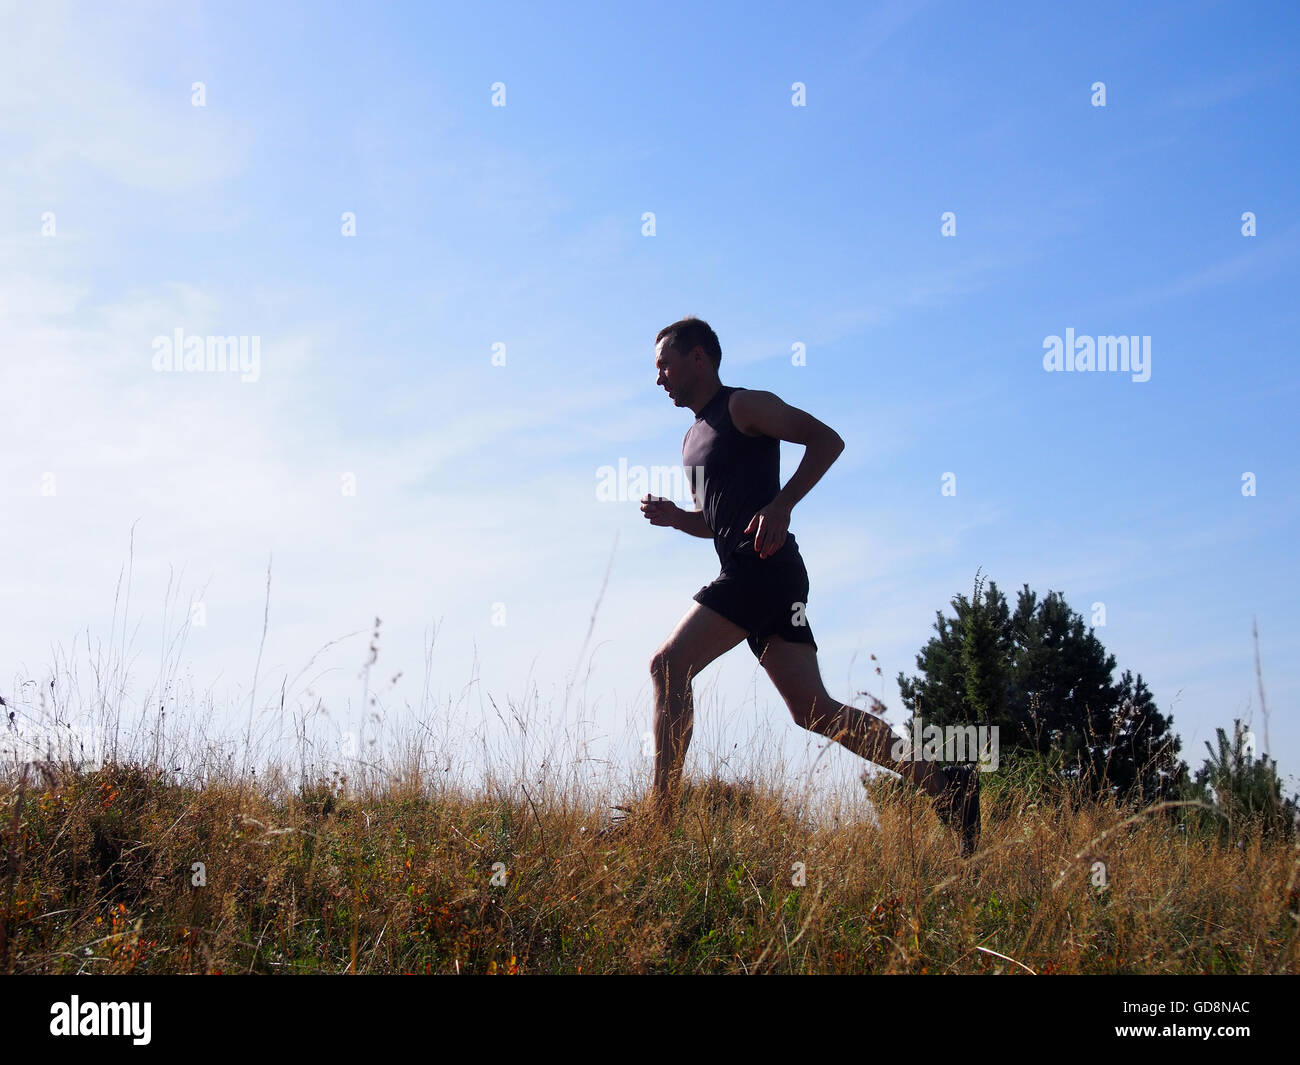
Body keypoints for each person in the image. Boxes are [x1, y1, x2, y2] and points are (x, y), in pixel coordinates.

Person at [635, 316, 979, 855]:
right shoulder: (690, 439)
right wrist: (677, 516)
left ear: (697, 357)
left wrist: (782, 505)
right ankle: (944, 782)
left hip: (762, 568)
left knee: (668, 664)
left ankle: (659, 822)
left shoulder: (744, 406)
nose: (658, 378)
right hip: (758, 572)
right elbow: (715, 521)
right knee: (813, 709)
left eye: (663, 364)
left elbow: (826, 440)